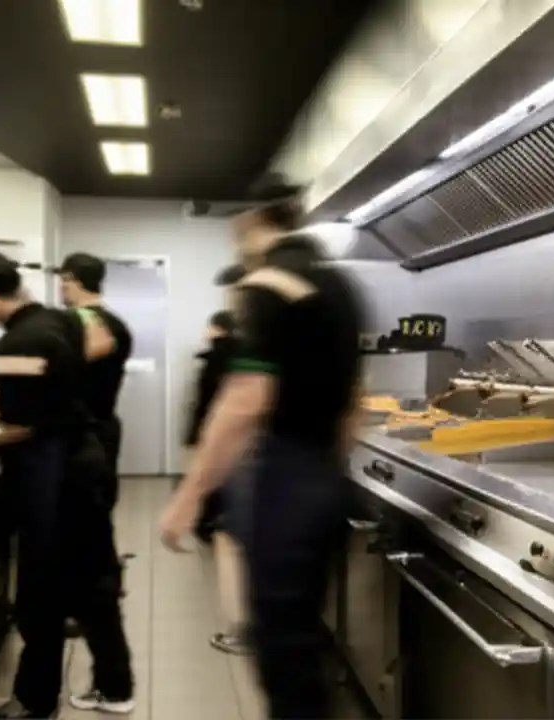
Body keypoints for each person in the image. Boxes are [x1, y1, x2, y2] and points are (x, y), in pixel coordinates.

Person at [160, 178, 365, 718]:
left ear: (252, 220)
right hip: (324, 475)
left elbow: (245, 399)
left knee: (280, 649)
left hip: (286, 479)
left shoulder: (269, 284)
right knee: (301, 640)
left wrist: (191, 494)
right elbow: (354, 402)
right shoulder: (340, 286)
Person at [0, 253, 133, 719]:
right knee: (95, 581)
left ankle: (34, 702)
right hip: (87, 461)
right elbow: (65, 378)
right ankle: (116, 686)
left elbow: (22, 427)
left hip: (51, 480)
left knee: (40, 592)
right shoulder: (63, 320)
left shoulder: (16, 341)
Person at [54, 252, 137, 714]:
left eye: (64, 281)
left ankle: (114, 682)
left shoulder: (89, 322)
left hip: (86, 442)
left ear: (72, 280)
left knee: (90, 551)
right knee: (92, 541)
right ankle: (88, 602)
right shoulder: (110, 321)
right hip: (100, 436)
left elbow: (68, 371)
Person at [185, 310, 250, 654]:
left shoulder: (224, 356)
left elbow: (217, 407)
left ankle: (244, 629)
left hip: (237, 452)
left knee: (232, 537)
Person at [58, 252, 134, 488]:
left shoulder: (70, 323)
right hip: (106, 427)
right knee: (99, 508)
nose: (61, 287)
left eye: (64, 281)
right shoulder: (118, 325)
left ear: (73, 280)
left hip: (76, 435)